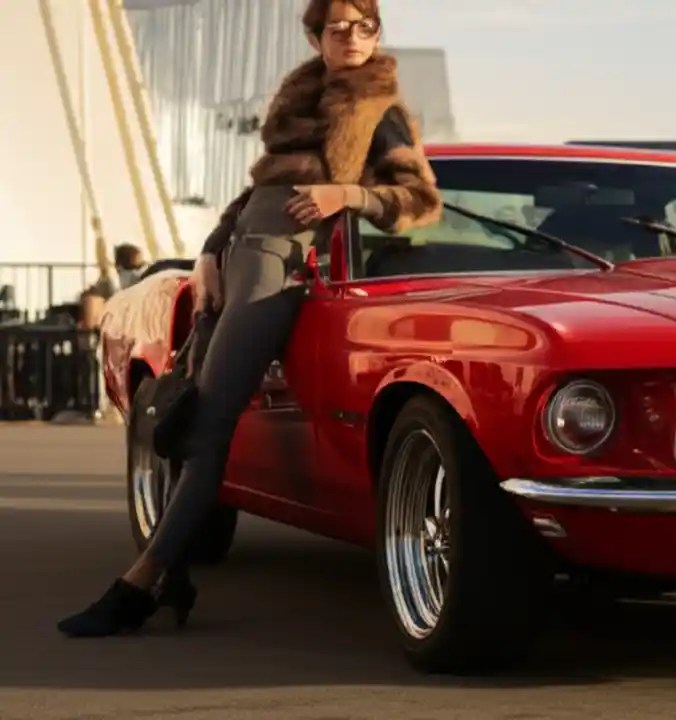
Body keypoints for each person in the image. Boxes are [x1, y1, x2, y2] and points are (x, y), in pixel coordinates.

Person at [57, 0, 442, 638]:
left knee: (209, 426)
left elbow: (420, 200)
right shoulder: (302, 97)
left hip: (281, 272)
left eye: (364, 25)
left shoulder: (381, 111)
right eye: (337, 27)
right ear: (317, 37)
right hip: (235, 263)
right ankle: (174, 572)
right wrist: (209, 252)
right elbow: (256, 190)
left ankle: (142, 583)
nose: (351, 37)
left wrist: (343, 195)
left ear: (377, 33)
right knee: (182, 420)